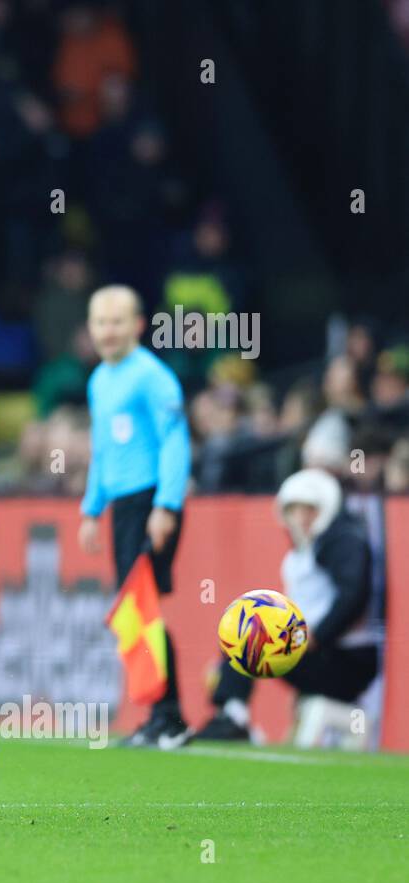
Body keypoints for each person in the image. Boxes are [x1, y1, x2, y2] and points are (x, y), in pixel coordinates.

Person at [77, 285, 193, 748]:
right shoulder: (99, 381)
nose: (108, 331)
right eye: (100, 323)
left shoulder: (153, 377)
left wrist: (167, 506)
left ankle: (171, 718)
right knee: (136, 612)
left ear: (137, 325)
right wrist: (91, 510)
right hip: (124, 506)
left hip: (151, 502)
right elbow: (103, 453)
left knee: (142, 609)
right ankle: (161, 715)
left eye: (116, 322)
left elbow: (176, 441)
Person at [198, 468, 378, 746]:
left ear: (326, 509)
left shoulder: (341, 540)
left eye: (309, 510)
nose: (301, 518)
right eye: (294, 510)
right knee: (237, 638)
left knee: (245, 636)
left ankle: (234, 716)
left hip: (345, 657)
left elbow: (354, 594)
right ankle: (233, 711)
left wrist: (318, 635)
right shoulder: (306, 550)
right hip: (326, 653)